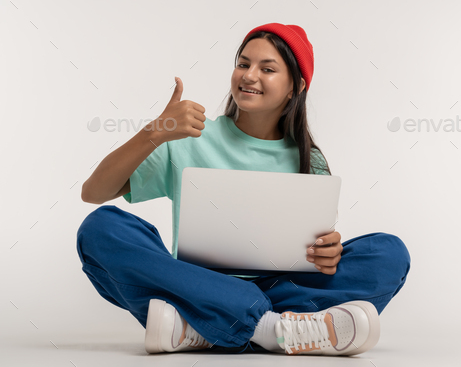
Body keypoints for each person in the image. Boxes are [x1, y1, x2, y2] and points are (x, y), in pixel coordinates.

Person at [77, 23, 411, 356]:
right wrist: (156, 130)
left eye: (267, 69)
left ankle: (202, 327)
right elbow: (94, 191)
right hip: (194, 282)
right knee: (101, 228)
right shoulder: (189, 136)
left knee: (388, 253)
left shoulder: (310, 161)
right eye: (243, 63)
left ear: (296, 86)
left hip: (276, 288)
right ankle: (275, 329)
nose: (249, 75)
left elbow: (315, 248)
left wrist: (329, 252)